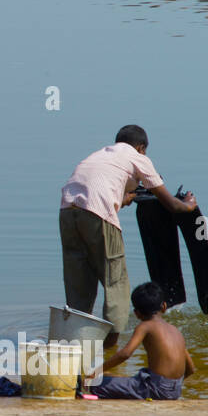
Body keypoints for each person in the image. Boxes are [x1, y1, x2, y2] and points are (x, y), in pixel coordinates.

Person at [59, 125, 197, 348]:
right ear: (141, 148)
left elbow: (94, 195)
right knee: (116, 282)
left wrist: (126, 198)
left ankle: (74, 345)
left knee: (79, 282)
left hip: (67, 211)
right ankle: (109, 347)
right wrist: (189, 205)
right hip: (98, 213)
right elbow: (172, 205)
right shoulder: (138, 157)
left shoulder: (100, 155)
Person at [89, 281, 195, 400]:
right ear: (164, 306)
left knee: (94, 384)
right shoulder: (175, 330)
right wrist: (171, 387)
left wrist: (96, 372)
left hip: (155, 389)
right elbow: (190, 369)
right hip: (176, 391)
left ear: (136, 313)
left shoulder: (145, 326)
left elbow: (125, 354)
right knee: (115, 378)